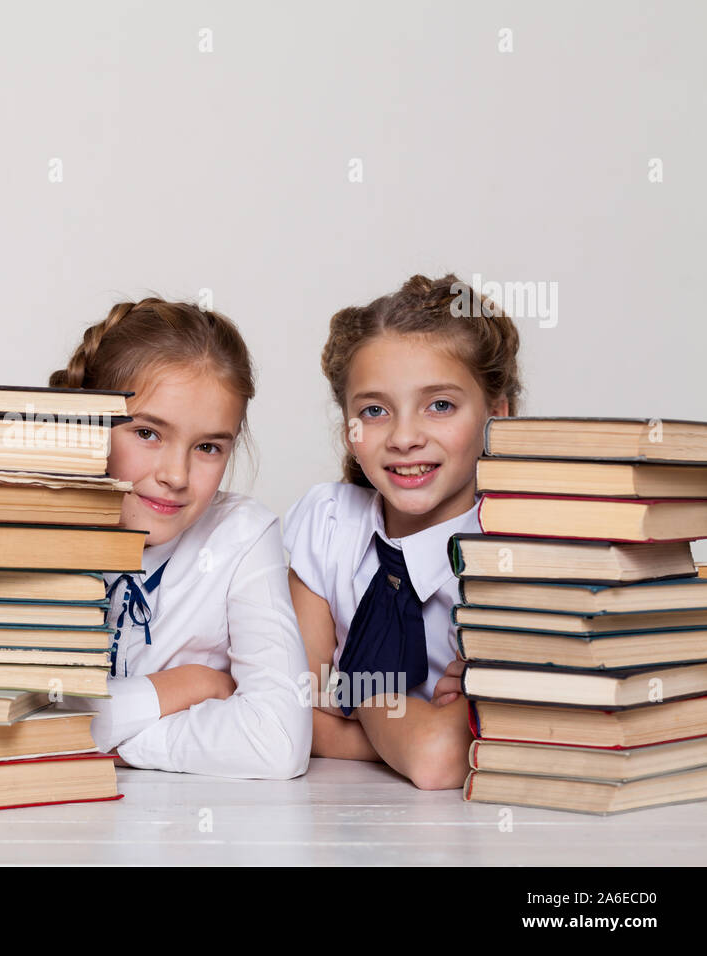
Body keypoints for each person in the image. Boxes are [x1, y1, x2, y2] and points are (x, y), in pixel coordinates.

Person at [52, 298, 311, 778]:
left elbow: (277, 742)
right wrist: (182, 687)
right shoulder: (23, 525)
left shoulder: (243, 536)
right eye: (148, 433)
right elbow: (2, 720)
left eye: (208, 447)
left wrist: (101, 738)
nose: (176, 475)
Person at [284, 273, 523, 790]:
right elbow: (289, 712)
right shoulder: (327, 524)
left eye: (440, 405)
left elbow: (438, 759)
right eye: (374, 411)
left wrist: (359, 691)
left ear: (496, 415)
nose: (405, 437)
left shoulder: (521, 557)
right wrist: (406, 730)